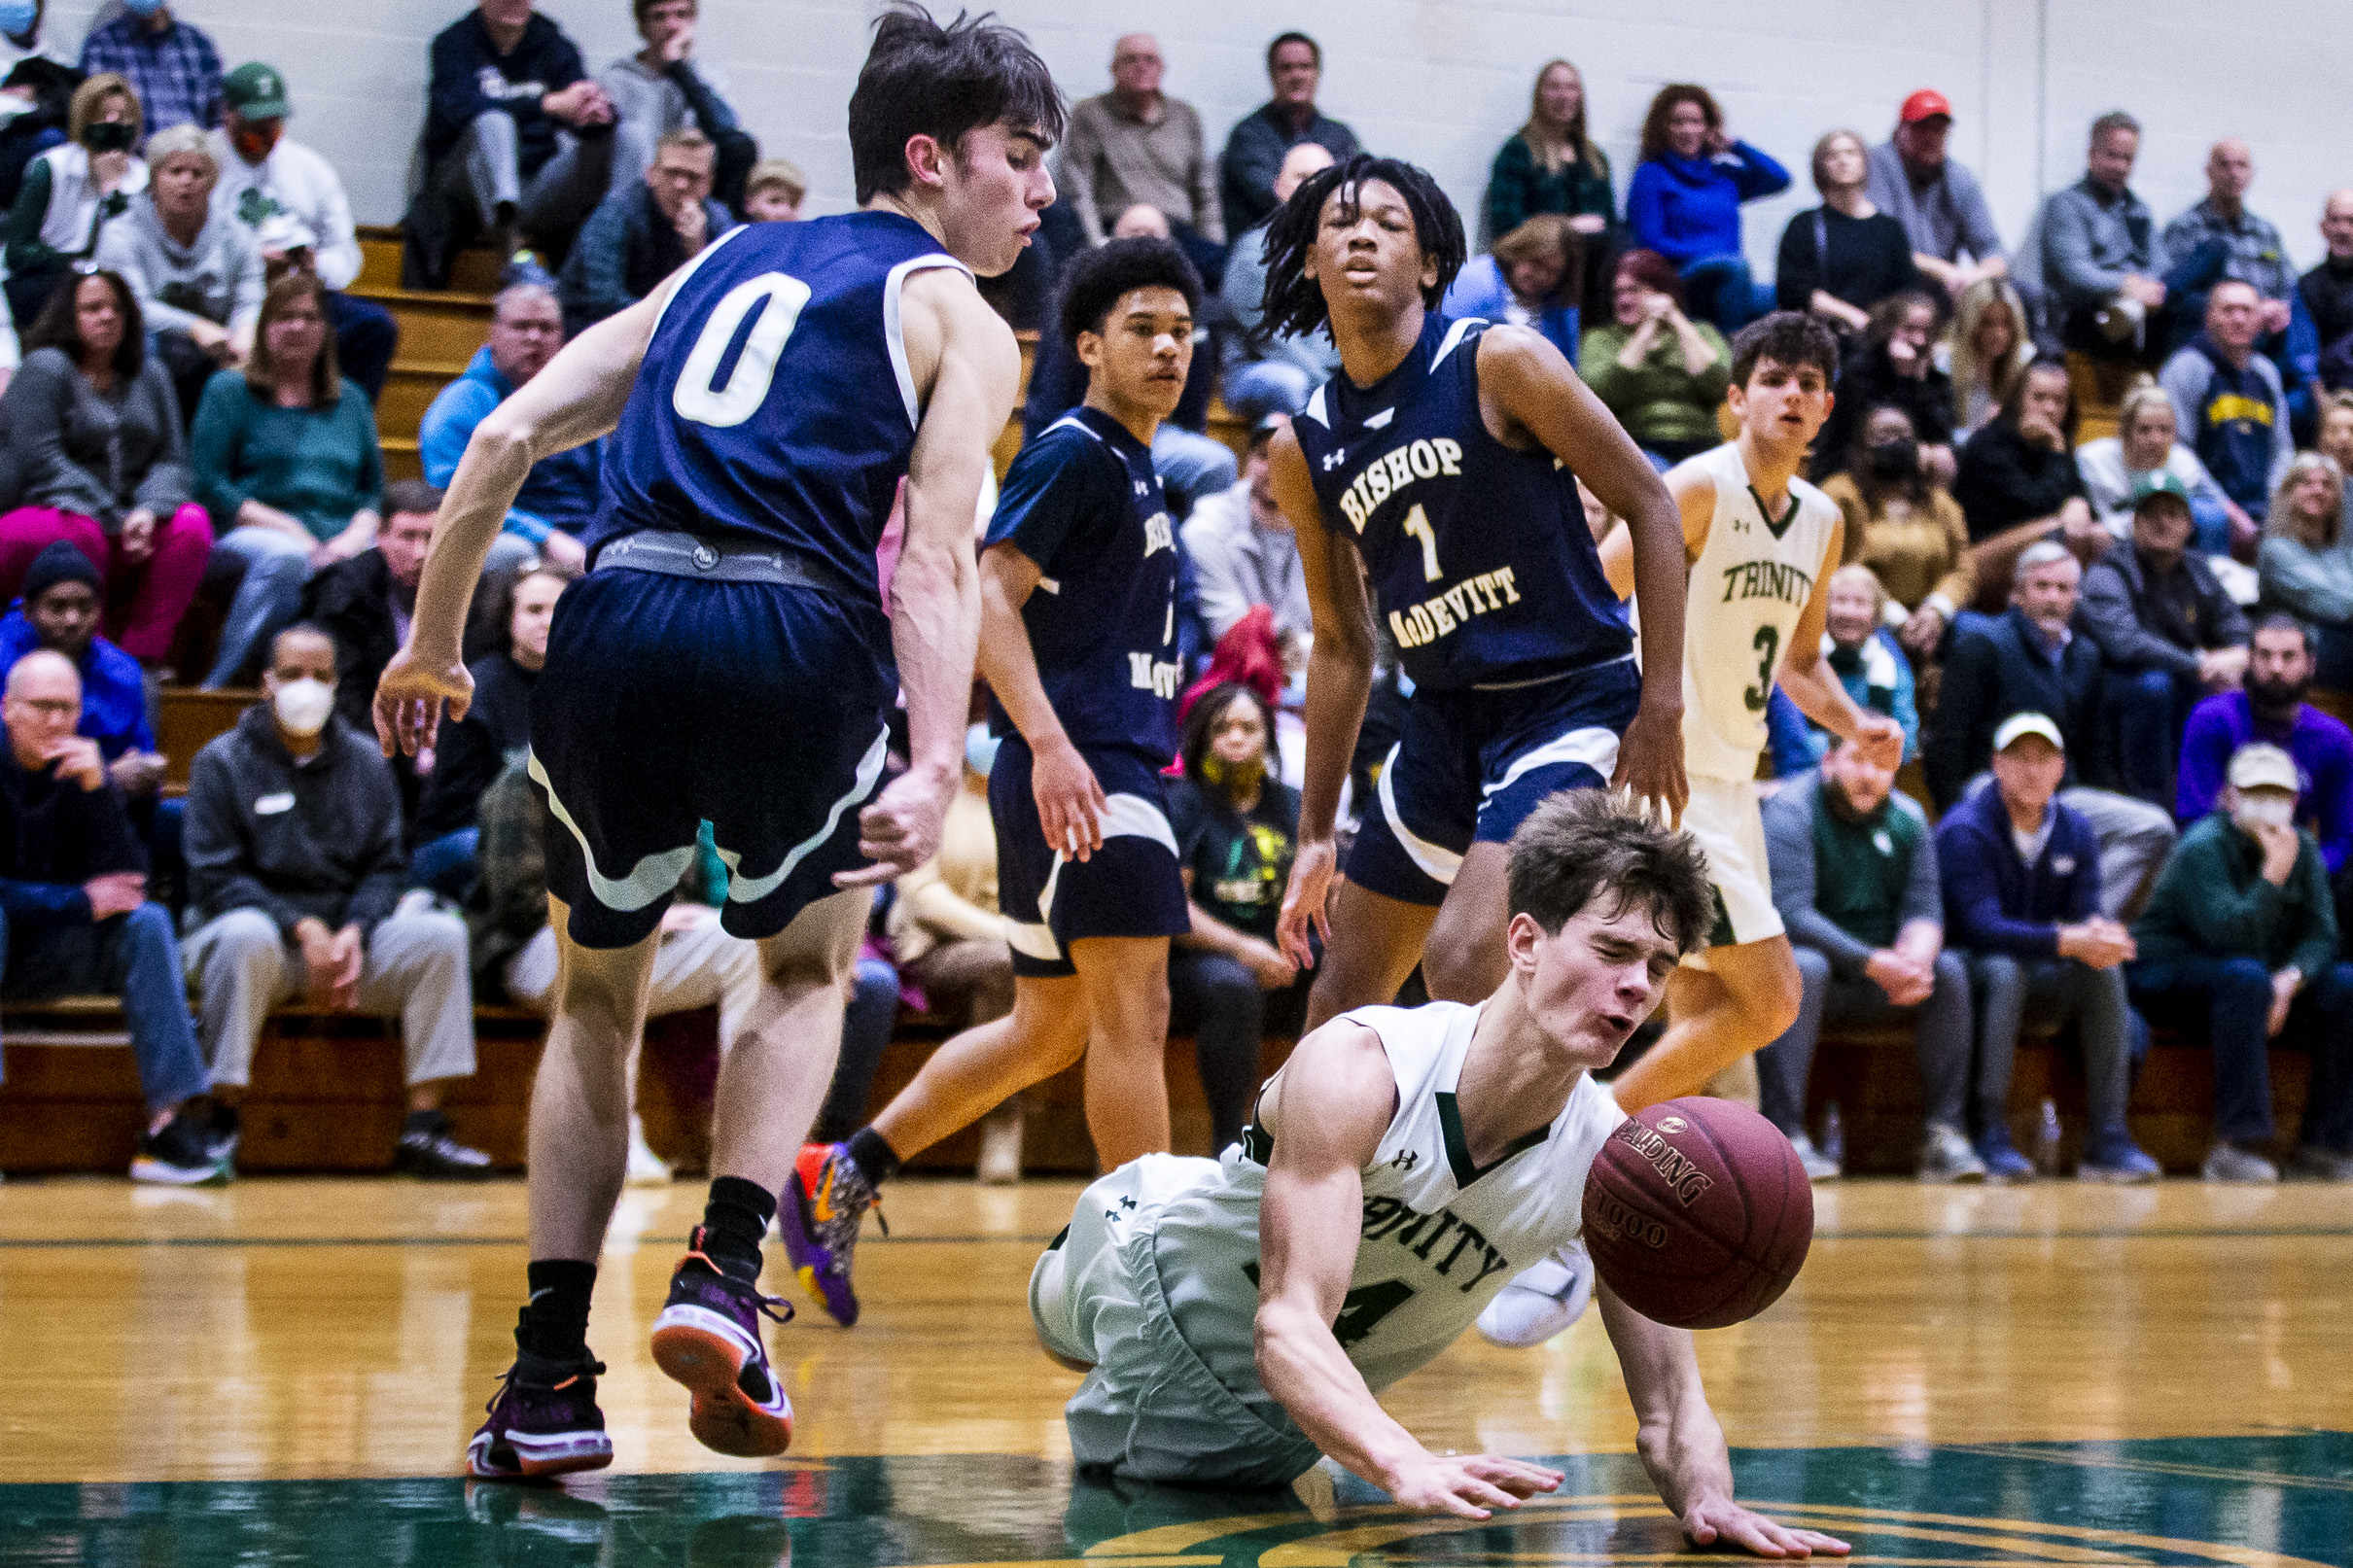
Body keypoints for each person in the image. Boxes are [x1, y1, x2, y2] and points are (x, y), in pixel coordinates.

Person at [372, 6, 1054, 1477]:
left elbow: (496, 446)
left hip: (612, 622)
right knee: (805, 964)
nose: (1042, 193)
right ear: (931, 163)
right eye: (1024, 158)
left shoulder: (718, 262)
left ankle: (548, 1383)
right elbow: (934, 562)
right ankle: (726, 1275)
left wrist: (431, 644)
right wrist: (938, 760)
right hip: (789, 630)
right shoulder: (960, 320)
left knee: (594, 1002)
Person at [1034, 790, 1850, 1563]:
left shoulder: (1614, 1165)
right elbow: (1285, 1324)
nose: (1638, 985)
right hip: (1149, 1282)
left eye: (1660, 965)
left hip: (1290, 1408)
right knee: (1088, 1384)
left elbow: (1672, 1408)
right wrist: (1402, 1459)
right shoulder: (1364, 1068)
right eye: (1613, 949)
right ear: (1524, 941)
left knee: (1237, 1473)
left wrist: (1709, 1499)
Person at [786, 235, 1203, 1325]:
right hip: (1082, 764)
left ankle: (846, 1166)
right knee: (1135, 1009)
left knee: (1049, 1027)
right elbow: (987, 597)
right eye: (1141, 329)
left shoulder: (1136, 461)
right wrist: (1054, 743)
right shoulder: (1074, 449)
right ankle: (1144, 1273)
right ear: (1088, 345)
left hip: (1092, 762)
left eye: (1180, 330)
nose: (1166, 347)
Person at [1244, 154, 1684, 1073]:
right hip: (1442, 716)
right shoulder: (1304, 444)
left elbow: (1650, 502)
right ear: (1310, 259)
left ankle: (1519, 1181)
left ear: (1432, 262)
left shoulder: (1500, 361)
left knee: (1465, 958)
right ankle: (1292, 1200)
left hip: (1566, 698)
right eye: (1339, 222)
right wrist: (1317, 832)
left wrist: (1663, 705)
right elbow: (1338, 643)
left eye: (1389, 222)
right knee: (1337, 1001)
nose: (1360, 234)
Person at [1592, 313, 1907, 1122]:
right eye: (1773, 379)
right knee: (1773, 1000)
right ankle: (1588, 1139)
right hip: (1669, 782)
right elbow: (1595, 599)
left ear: (1828, 405)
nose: (1791, 395)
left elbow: (1799, 664)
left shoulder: (1823, 521)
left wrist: (1854, 724)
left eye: (1807, 383)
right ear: (1736, 397)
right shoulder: (1697, 487)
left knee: (1703, 1020)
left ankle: (1652, 1197)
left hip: (1737, 784)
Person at [184, 623, 491, 1179]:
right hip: (263, 945)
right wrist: (301, 926)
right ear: (266, 684)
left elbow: (386, 866)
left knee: (441, 937)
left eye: (321, 675)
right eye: (294, 674)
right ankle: (217, 1118)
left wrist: (355, 929)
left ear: (337, 684)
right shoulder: (220, 761)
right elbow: (214, 876)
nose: (308, 686)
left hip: (346, 947)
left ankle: (424, 1127)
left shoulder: (366, 762)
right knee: (243, 935)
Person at [0, 648, 220, 1183]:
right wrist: (78, 902)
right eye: (43, 707)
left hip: (56, 954)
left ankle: (169, 1125)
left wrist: (101, 795)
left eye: (68, 709)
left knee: (148, 923)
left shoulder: (85, 772)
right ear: (7, 708)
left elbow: (129, 886)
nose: (57, 721)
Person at [1937, 712, 2158, 1180]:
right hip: (1968, 967)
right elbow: (1982, 927)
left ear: (2061, 769)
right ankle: (1988, 1130)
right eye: (2019, 758)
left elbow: (2086, 912)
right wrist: (2067, 939)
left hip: (2040, 964)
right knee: (2004, 968)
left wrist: (2102, 938)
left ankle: (2109, 1138)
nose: (2031, 770)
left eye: (2044, 759)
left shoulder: (2076, 830)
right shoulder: (1964, 829)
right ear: (1997, 764)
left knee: (2104, 968)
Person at [2129, 742, 2353, 1183]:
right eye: (2255, 792)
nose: (2268, 805)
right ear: (2230, 796)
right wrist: (2272, 873)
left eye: (2278, 795)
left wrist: (2292, 979)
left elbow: (2322, 933)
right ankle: (2236, 1145)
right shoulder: (2203, 846)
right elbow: (2229, 936)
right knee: (2246, 976)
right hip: (2169, 979)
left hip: (2249, 988)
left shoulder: (2303, 848)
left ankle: (2322, 1146)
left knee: (2347, 986)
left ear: (2294, 801)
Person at [1757, 733, 1974, 1179]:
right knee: (1806, 967)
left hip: (1883, 980)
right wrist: (1873, 962)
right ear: (1830, 760)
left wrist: (1916, 959)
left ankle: (1944, 1134)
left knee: (1949, 970)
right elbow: (1793, 913)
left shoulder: (1909, 818)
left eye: (1882, 766)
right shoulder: (1792, 809)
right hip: (1816, 977)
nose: (1869, 776)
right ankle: (1785, 1134)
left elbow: (1925, 910)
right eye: (1858, 761)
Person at [1925, 540, 2177, 913]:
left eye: (2063, 589)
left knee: (2154, 828)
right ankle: (2025, 931)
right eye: (2041, 587)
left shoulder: (2087, 656)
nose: (2052, 598)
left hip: (2062, 793)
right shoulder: (1983, 645)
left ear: (2076, 598)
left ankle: (2079, 923)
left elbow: (2095, 748)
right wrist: (1955, 819)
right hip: (1988, 789)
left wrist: (2095, 804)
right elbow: (1947, 740)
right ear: (2017, 594)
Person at [0, 268, 211, 664]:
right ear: (69, 317)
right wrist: (116, 516)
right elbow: (42, 461)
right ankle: (88, 655)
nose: (108, 317)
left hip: (126, 522)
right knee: (84, 533)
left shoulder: (152, 373)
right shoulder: (45, 367)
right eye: (93, 308)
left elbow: (171, 461)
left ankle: (139, 659)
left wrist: (147, 511)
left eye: (117, 309)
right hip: (45, 513)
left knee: (191, 524)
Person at [190, 270, 384, 687]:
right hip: (249, 531)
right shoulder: (229, 389)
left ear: (326, 330)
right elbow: (209, 482)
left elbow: (372, 490)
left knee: (389, 560)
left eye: (310, 317)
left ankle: (358, 689)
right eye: (284, 316)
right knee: (286, 558)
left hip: (338, 533)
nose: (298, 326)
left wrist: (351, 540)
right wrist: (290, 528)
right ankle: (225, 683)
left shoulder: (350, 399)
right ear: (264, 327)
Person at [1164, 681, 1307, 1155]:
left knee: (1345, 971)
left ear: (1268, 737)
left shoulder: (1292, 803)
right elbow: (1176, 912)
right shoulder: (1184, 803)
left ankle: (1322, 1130)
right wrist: (1245, 949)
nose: (1237, 737)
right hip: (1199, 958)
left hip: (1283, 949)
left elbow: (1331, 896)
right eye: (1223, 728)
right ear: (1203, 739)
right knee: (1231, 985)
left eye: (1249, 727)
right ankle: (1229, 1140)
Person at [206, 61, 399, 404]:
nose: (265, 134)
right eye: (255, 124)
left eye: (273, 123)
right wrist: (252, 262)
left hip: (300, 289)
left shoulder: (310, 169)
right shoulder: (204, 162)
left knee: (374, 327)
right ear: (228, 115)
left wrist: (314, 266)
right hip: (227, 292)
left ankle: (344, 426)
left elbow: (346, 255)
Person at [410, 0, 615, 286]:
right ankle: (513, 257)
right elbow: (459, 110)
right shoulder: (453, 44)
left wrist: (596, 111)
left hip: (534, 182)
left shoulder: (553, 45)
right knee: (494, 122)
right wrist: (546, 104)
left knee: (623, 135)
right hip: (463, 186)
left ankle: (613, 257)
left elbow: (578, 104)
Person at [2080, 473, 2252, 806]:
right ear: (2135, 523)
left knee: (2235, 687)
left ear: (2189, 525)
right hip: (2114, 691)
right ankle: (2152, 802)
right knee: (2154, 685)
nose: (2162, 523)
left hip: (2183, 682)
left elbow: (2237, 628)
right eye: (2151, 514)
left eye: (2172, 515)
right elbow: (2125, 643)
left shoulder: (2199, 569)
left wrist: (2239, 655)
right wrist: (2200, 663)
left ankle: (2224, 801)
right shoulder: (2108, 571)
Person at [410, 561, 563, 899]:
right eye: (534, 610)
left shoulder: (589, 687)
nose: (548, 621)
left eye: (559, 609)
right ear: (508, 617)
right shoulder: (474, 692)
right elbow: (456, 807)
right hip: (462, 838)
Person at [416, 282, 593, 573]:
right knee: (514, 552)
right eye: (521, 326)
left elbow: (604, 486)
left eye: (546, 328)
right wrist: (546, 537)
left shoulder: (579, 399)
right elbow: (453, 499)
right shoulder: (462, 403)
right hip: (506, 537)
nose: (534, 337)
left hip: (582, 537)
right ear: (494, 333)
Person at [93, 122, 263, 419]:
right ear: (154, 179)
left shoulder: (236, 234)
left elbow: (250, 298)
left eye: (198, 173)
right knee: (143, 342)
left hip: (217, 357)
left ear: (212, 181)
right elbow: (133, 307)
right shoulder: (121, 232)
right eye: (175, 171)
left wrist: (245, 331)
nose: (187, 181)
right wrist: (195, 328)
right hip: (146, 354)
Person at [2177, 613, 2353, 874]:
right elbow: (2192, 818)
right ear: (2249, 661)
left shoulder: (2334, 739)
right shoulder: (2212, 719)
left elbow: (2342, 840)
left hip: (2296, 869)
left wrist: (2300, 874)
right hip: (2221, 865)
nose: (2276, 668)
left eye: (2288, 656)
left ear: (2310, 664)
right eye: (2265, 655)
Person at [1622, 85, 1788, 331]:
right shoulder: (1652, 174)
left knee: (1786, 297)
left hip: (1730, 277)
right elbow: (1650, 242)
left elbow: (1779, 178)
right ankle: (1731, 351)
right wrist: (1710, 253)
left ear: (1709, 127)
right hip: (1682, 276)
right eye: (1678, 122)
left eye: (1696, 122)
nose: (1688, 130)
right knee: (1734, 266)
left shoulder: (1723, 175)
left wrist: (1735, 146)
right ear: (1663, 128)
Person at [1822, 405, 1972, 659]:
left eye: (1903, 437)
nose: (1895, 444)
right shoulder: (1841, 495)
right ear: (1861, 449)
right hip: (1863, 613)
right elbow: (1835, 564)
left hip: (1933, 616)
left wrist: (1936, 609)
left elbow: (1963, 568)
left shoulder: (1940, 504)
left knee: (1976, 635)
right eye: (1882, 438)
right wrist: (1894, 616)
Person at [556, 127, 734, 335]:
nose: (681, 185)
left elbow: (727, 298)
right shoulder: (618, 211)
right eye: (672, 172)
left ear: (708, 184)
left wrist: (698, 252)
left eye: (693, 176)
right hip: (593, 333)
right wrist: (675, 319)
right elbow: (604, 300)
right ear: (651, 174)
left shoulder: (717, 220)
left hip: (664, 334)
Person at [4, 73, 147, 331]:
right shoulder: (50, 167)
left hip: (124, 286)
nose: (113, 124)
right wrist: (76, 264)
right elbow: (18, 251)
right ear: (83, 120)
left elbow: (130, 250)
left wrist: (112, 190)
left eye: (122, 116)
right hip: (52, 281)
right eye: (102, 115)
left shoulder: (143, 179)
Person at [1057, 33, 1221, 256]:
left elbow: (1205, 191)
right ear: (1114, 69)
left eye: (1149, 59)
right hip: (1115, 231)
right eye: (1131, 59)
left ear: (1162, 68)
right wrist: (1097, 245)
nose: (1141, 67)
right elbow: (1078, 190)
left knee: (1221, 266)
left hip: (1178, 234)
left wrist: (1214, 244)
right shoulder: (1089, 115)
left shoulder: (1185, 116)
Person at [1951, 355, 2098, 592]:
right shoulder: (1989, 445)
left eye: (2059, 401)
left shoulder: (2055, 443)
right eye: (2039, 398)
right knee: (2055, 530)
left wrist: (2079, 504)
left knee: (2098, 535)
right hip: (1976, 556)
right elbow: (2033, 507)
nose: (2050, 408)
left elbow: (2080, 499)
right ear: (2019, 400)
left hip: (2032, 539)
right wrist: (2056, 454)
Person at [1216, 139, 1338, 418]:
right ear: (1278, 187)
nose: (1312, 186)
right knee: (1292, 382)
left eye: (1323, 179)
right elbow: (1270, 338)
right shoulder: (1252, 251)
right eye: (1301, 177)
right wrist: (1330, 386)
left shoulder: (1343, 254)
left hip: (1325, 376)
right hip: (1256, 370)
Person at [598, 0, 754, 217]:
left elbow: (730, 134)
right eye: (659, 17)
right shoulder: (618, 80)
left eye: (681, 15)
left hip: (698, 191)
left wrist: (679, 69)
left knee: (743, 147)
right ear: (642, 28)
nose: (672, 26)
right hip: (640, 198)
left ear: (693, 21)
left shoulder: (708, 78)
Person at [2160, 281, 2293, 530]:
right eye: (2228, 310)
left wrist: (2276, 504)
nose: (2239, 319)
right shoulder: (2186, 368)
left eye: (2247, 311)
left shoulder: (2267, 372)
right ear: (2209, 318)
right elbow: (2178, 452)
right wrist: (2227, 510)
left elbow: (2283, 449)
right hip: (2203, 505)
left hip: (2262, 506)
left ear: (2258, 321)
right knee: (2210, 519)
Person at [1578, 248, 1729, 466]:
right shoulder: (1600, 339)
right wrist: (1647, 329)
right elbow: (1603, 394)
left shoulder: (1701, 332)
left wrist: (1676, 320)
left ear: (1662, 293)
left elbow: (1719, 385)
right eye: (1618, 293)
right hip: (1636, 446)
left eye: (1634, 290)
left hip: (1703, 444)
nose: (1624, 300)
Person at [2038, 112, 2168, 362]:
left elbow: (2161, 265)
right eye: (2112, 155)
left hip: (2140, 313)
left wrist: (2148, 289)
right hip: (2086, 315)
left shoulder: (2139, 210)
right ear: (2092, 154)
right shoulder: (2066, 205)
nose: (2120, 166)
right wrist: (2125, 285)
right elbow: (2076, 273)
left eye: (2128, 159)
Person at [1864, 89, 2007, 302]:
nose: (1931, 137)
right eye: (1921, 128)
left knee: (2020, 295)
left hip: (1943, 292)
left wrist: (1975, 278)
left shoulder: (1960, 177)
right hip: (1890, 289)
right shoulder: (1877, 164)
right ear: (1901, 130)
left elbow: (1992, 249)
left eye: (1939, 129)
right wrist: (1943, 270)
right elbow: (1881, 244)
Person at [1181, 412, 1310, 645]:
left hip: (1308, 673)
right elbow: (1231, 634)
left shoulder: (1328, 532)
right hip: (1232, 671)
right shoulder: (1207, 528)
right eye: (1264, 456)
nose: (1276, 467)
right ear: (1247, 463)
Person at [1774, 130, 1919, 335]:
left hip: (1877, 342)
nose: (1843, 161)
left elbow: (1906, 291)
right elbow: (1794, 291)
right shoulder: (1804, 226)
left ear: (1864, 163)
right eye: (1833, 156)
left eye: (1851, 153)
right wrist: (1852, 316)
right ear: (1821, 167)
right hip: (1820, 339)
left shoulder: (1889, 229)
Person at [1216, 32, 1357, 238]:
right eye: (1286, 68)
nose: (1297, 75)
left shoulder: (1341, 137)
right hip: (1263, 245)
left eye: (1305, 67)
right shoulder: (1248, 135)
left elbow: (1351, 198)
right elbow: (1277, 197)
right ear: (1272, 74)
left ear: (1317, 72)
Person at [1482, 59, 1613, 270]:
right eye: (1554, 87)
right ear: (1539, 96)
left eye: (1571, 88)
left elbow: (1607, 223)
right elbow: (1506, 227)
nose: (1564, 96)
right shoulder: (1517, 152)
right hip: (1534, 267)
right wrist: (1568, 228)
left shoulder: (1594, 157)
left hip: (1587, 268)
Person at [1813, 292, 1954, 486]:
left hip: (1907, 471)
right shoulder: (1860, 371)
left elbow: (1941, 436)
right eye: (1910, 329)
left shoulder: (1934, 381)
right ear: (1890, 329)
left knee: (1941, 457)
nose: (1919, 340)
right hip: (1853, 465)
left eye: (1927, 331)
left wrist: (1917, 382)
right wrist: (1903, 379)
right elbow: (1871, 429)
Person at [2076, 381, 2235, 552]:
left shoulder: (2183, 461)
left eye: (2165, 430)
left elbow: (2217, 501)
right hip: (2111, 541)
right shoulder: (2094, 459)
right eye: (2144, 430)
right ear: (2125, 431)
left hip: (2168, 542)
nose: (2156, 440)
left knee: (2211, 516)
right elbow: (2103, 519)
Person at [2160, 140, 2297, 339]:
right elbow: (2172, 296)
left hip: (2265, 337)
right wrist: (2251, 311)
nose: (2234, 173)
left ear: (2251, 173)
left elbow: (2289, 286)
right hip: (2207, 337)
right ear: (2209, 172)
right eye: (2225, 165)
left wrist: (2279, 309)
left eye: (2241, 165)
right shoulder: (2185, 228)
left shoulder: (2266, 232)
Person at [2257, 455, 2353, 687]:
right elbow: (2336, 606)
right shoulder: (2275, 551)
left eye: (2327, 485)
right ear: (2289, 493)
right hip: (2304, 654)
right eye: (2307, 483)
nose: (2318, 490)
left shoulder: (2343, 553)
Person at [1443, 214, 1581, 363]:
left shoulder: (1562, 308)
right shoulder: (1476, 280)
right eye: (1536, 262)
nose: (1540, 276)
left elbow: (1568, 368)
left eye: (1551, 271)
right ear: (1519, 249)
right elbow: (1442, 345)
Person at [76, 0, 219, 136]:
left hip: (189, 154)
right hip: (131, 158)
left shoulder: (198, 45)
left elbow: (216, 120)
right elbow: (94, 120)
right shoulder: (102, 46)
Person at [1949, 275, 2032, 436]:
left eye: (2006, 323)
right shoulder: (1944, 364)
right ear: (1970, 322)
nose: (1998, 334)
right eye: (1987, 323)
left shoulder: (2027, 361)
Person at [2297, 191, 2353, 382]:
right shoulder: (2306, 285)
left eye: (2351, 221)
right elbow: (2303, 356)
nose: (2343, 230)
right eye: (2335, 220)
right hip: (2324, 387)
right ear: (2323, 227)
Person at [741, 157, 803, 224]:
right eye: (774, 201)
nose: (785, 212)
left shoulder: (804, 233)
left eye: (793, 204)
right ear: (748, 203)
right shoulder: (735, 233)